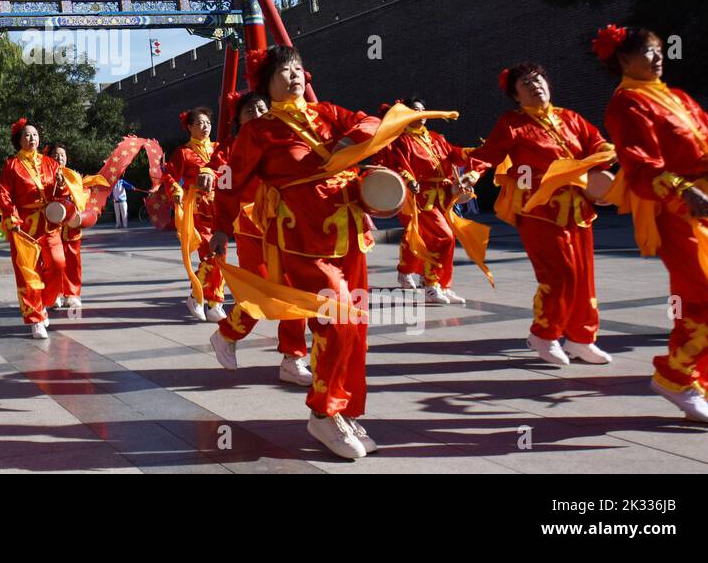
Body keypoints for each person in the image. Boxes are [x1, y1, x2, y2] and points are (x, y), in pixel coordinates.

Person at [213, 45, 382, 460]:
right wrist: (220, 227)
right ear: (266, 84)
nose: (293, 75)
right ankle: (323, 413)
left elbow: (375, 123)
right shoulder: (258, 132)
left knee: (353, 328)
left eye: (298, 69)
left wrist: (347, 139)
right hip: (300, 235)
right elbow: (231, 181)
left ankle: (344, 410)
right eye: (283, 71)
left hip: (348, 229)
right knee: (337, 319)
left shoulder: (327, 114)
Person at [598, 25, 708, 424]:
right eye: (648, 52)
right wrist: (683, 190)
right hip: (675, 212)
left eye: (659, 51)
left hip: (706, 209)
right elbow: (639, 165)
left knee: (698, 300)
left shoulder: (676, 97)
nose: (658, 57)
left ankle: (707, 384)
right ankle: (673, 377)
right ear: (624, 59)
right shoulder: (627, 104)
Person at [468, 63, 614, 367]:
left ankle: (581, 339)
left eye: (538, 79)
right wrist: (469, 175)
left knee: (584, 278)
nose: (535, 85)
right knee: (561, 275)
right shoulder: (512, 123)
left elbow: (597, 145)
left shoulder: (571, 118)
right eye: (526, 83)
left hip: (579, 209)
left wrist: (602, 170)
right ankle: (544, 334)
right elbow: (487, 156)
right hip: (539, 210)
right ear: (516, 96)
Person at [211, 90, 313, 385]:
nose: (256, 114)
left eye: (260, 108)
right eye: (248, 111)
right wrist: (208, 175)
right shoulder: (231, 147)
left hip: (284, 223)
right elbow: (221, 176)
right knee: (261, 291)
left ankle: (293, 358)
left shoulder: (283, 137)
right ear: (238, 120)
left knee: (293, 289)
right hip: (250, 225)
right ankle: (227, 333)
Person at [375, 98, 479, 304]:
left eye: (423, 111)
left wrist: (473, 153)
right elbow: (398, 166)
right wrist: (410, 180)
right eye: (415, 110)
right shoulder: (401, 140)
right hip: (422, 198)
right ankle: (431, 285)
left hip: (443, 196)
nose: (421, 114)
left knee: (432, 239)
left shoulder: (435, 138)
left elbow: (453, 154)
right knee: (443, 237)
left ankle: (442, 284)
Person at [0, 119, 68, 339]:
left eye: (35, 135)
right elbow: (4, 195)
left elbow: (61, 195)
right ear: (18, 140)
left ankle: (45, 301)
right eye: (27, 135)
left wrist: (62, 184)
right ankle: (35, 318)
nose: (32, 139)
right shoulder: (11, 166)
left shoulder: (50, 163)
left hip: (48, 224)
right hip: (25, 226)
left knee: (58, 263)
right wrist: (12, 220)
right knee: (27, 274)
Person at [162, 107, 227, 323]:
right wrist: (177, 190)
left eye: (208, 123)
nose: (205, 127)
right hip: (197, 210)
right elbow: (168, 175)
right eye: (199, 123)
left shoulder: (219, 149)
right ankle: (208, 301)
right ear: (189, 127)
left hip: (219, 209)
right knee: (210, 253)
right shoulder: (183, 152)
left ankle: (204, 300)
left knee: (220, 256)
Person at [46, 144, 82, 310]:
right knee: (53, 262)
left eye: (62, 154)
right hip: (51, 226)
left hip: (71, 227)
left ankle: (72, 294)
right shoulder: (45, 176)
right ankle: (54, 294)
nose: (59, 158)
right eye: (56, 154)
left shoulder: (74, 175)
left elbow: (81, 197)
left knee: (72, 261)